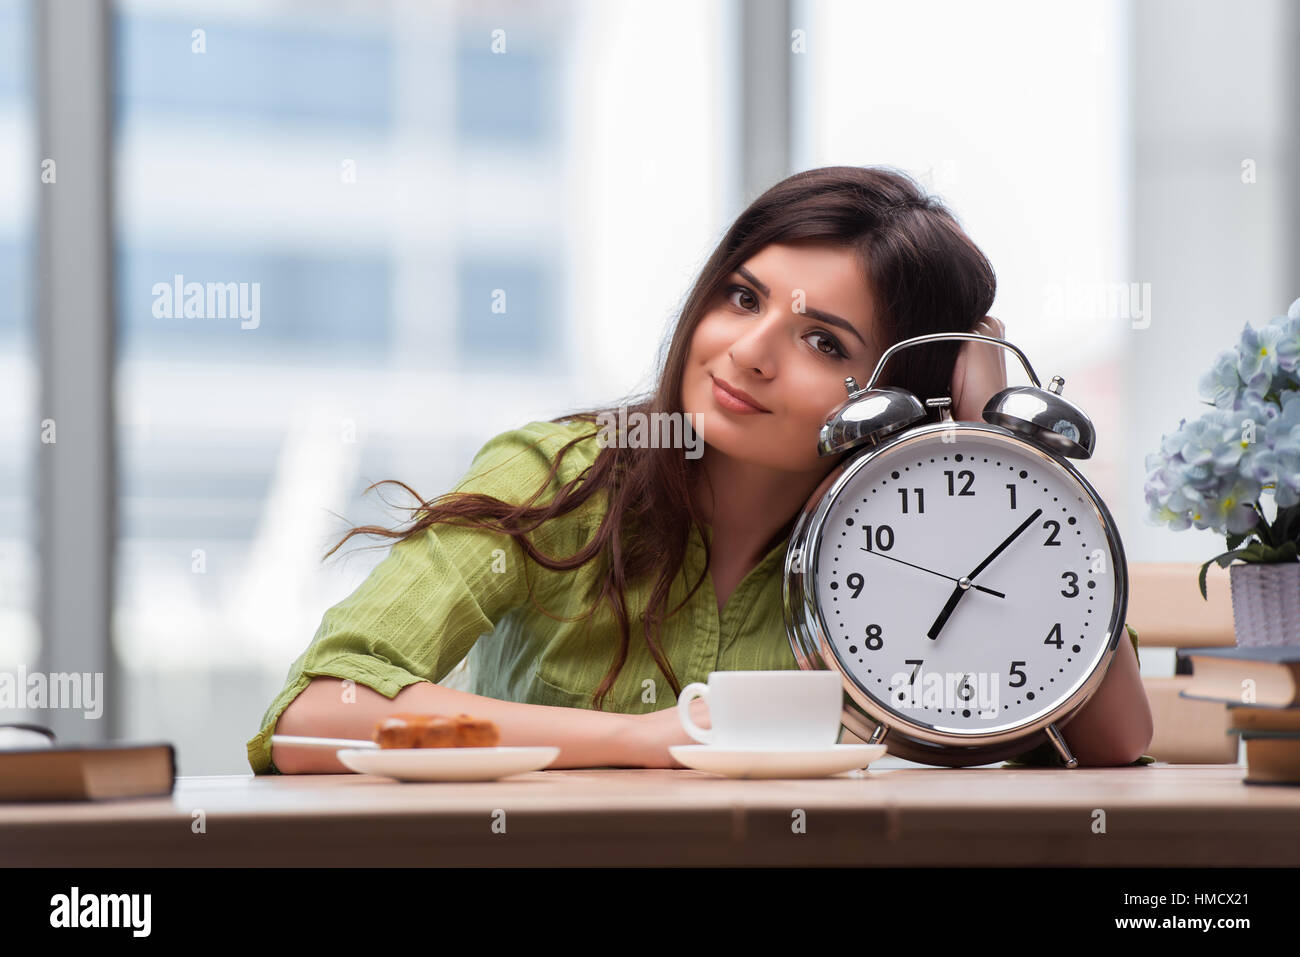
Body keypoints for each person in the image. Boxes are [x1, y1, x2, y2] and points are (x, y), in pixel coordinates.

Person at [248, 165, 1152, 774]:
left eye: (820, 340)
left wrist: (997, 447)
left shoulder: (911, 537)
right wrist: (644, 738)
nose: (746, 353)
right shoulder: (559, 476)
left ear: (895, 386)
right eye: (743, 296)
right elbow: (318, 710)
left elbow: (1116, 739)